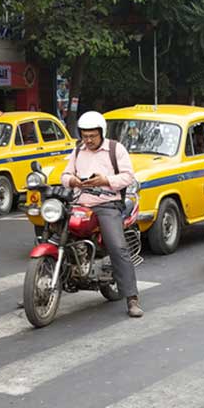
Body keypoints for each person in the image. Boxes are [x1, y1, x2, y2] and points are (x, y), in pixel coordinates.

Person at [61, 111, 143, 318]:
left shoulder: (116, 149)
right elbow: (65, 174)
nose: (88, 140)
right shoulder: (78, 150)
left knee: (117, 247)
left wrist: (105, 180)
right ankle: (40, 283)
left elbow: (127, 177)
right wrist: (73, 181)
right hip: (80, 203)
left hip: (107, 204)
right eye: (84, 136)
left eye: (92, 136)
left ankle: (132, 298)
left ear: (101, 133)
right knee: (53, 233)